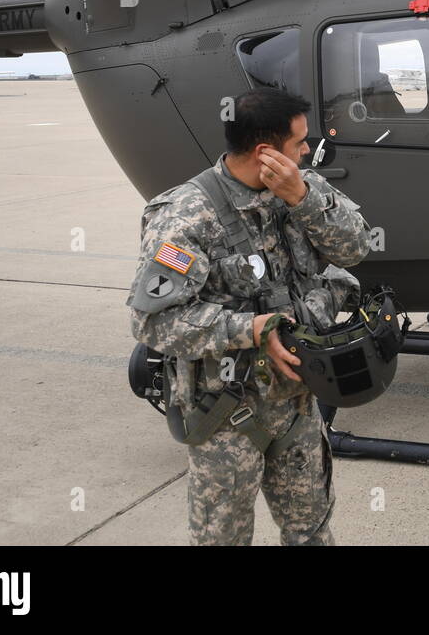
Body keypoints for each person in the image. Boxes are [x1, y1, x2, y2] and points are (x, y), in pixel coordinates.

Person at [128, 87, 370, 545]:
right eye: (299, 142)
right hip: (226, 414)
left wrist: (303, 198)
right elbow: (151, 323)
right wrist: (249, 329)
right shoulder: (185, 217)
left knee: (312, 532)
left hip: (298, 400)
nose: (306, 150)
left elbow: (356, 249)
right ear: (265, 152)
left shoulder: (301, 188)